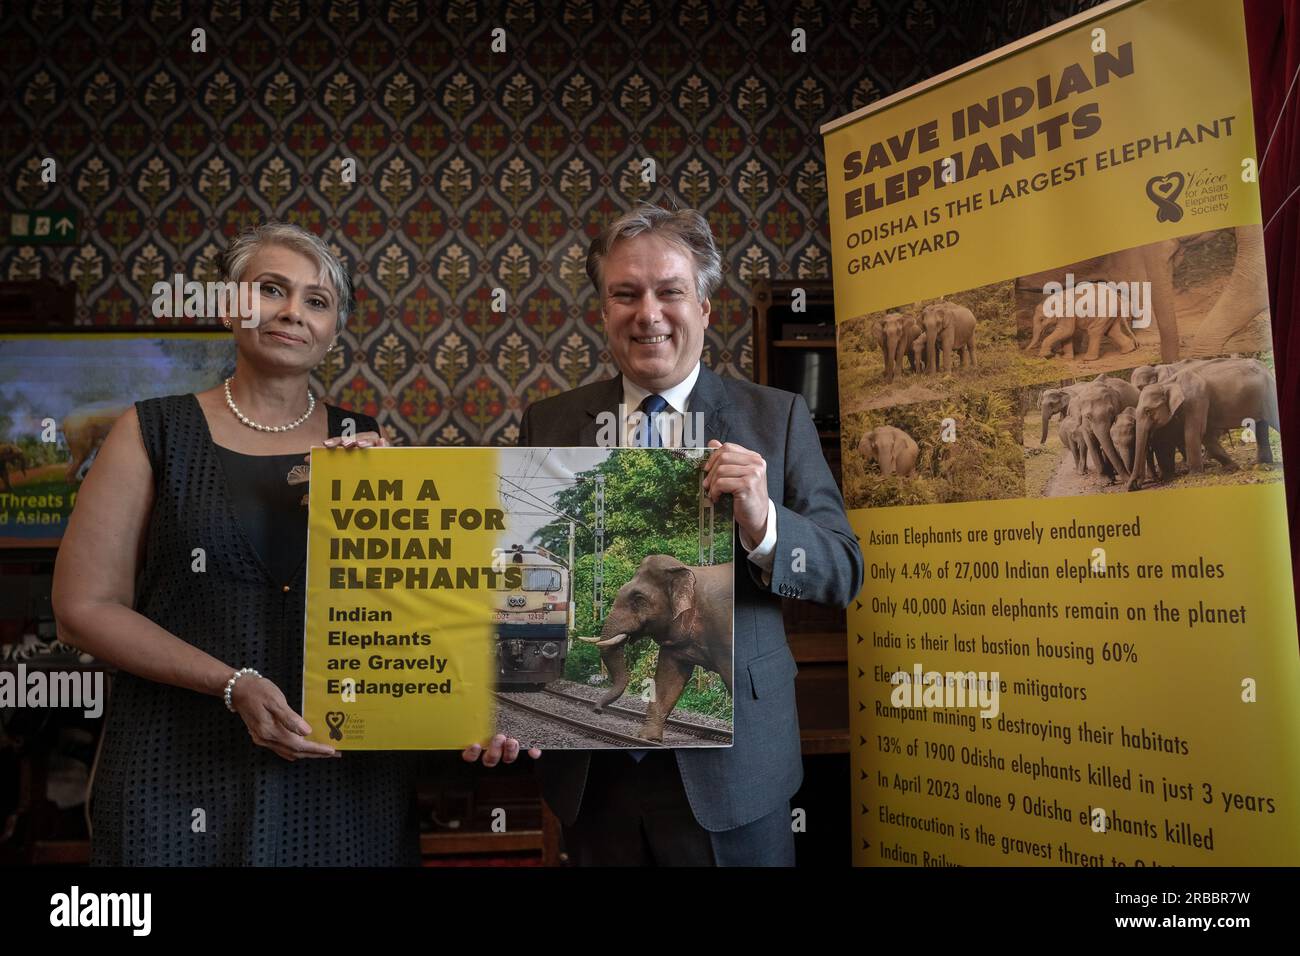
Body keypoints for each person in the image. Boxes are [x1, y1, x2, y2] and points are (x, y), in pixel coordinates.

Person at [52, 221, 525, 866]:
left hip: (341, 776)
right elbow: (84, 609)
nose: (291, 312)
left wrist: (490, 702)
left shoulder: (368, 442)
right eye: (270, 289)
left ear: (333, 330)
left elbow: (422, 617)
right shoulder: (152, 430)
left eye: (316, 301)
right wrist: (232, 684)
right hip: (175, 764)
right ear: (229, 306)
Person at [517, 204, 864, 865]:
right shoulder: (551, 420)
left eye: (670, 291)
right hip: (592, 781)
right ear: (603, 312)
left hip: (738, 776)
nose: (648, 313)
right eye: (626, 294)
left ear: (704, 307)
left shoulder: (777, 417)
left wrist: (765, 524)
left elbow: (844, 571)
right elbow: (522, 575)